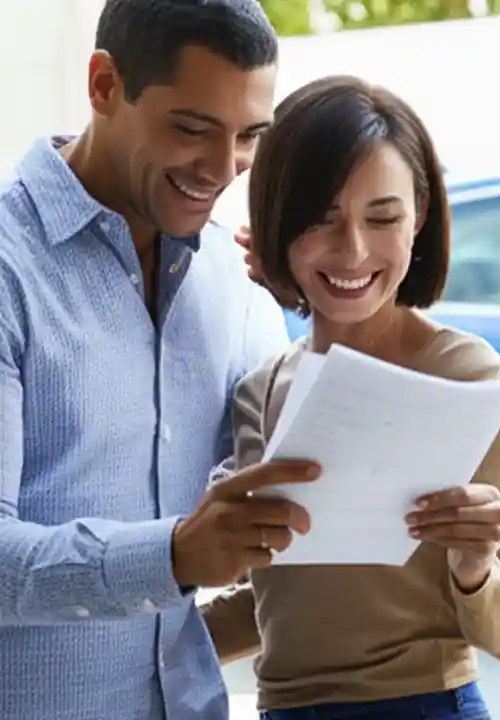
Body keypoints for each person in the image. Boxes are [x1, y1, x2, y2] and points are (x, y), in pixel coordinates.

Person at [0, 2, 320, 719]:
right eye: (192, 129)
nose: (222, 169)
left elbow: (292, 496)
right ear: (105, 85)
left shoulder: (236, 287)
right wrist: (171, 557)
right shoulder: (7, 272)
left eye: (247, 137)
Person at [200, 76, 500, 720]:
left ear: (419, 220)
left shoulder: (471, 379)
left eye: (382, 217)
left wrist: (475, 566)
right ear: (278, 224)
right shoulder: (261, 391)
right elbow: (282, 601)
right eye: (320, 220)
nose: (353, 250)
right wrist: (115, 646)